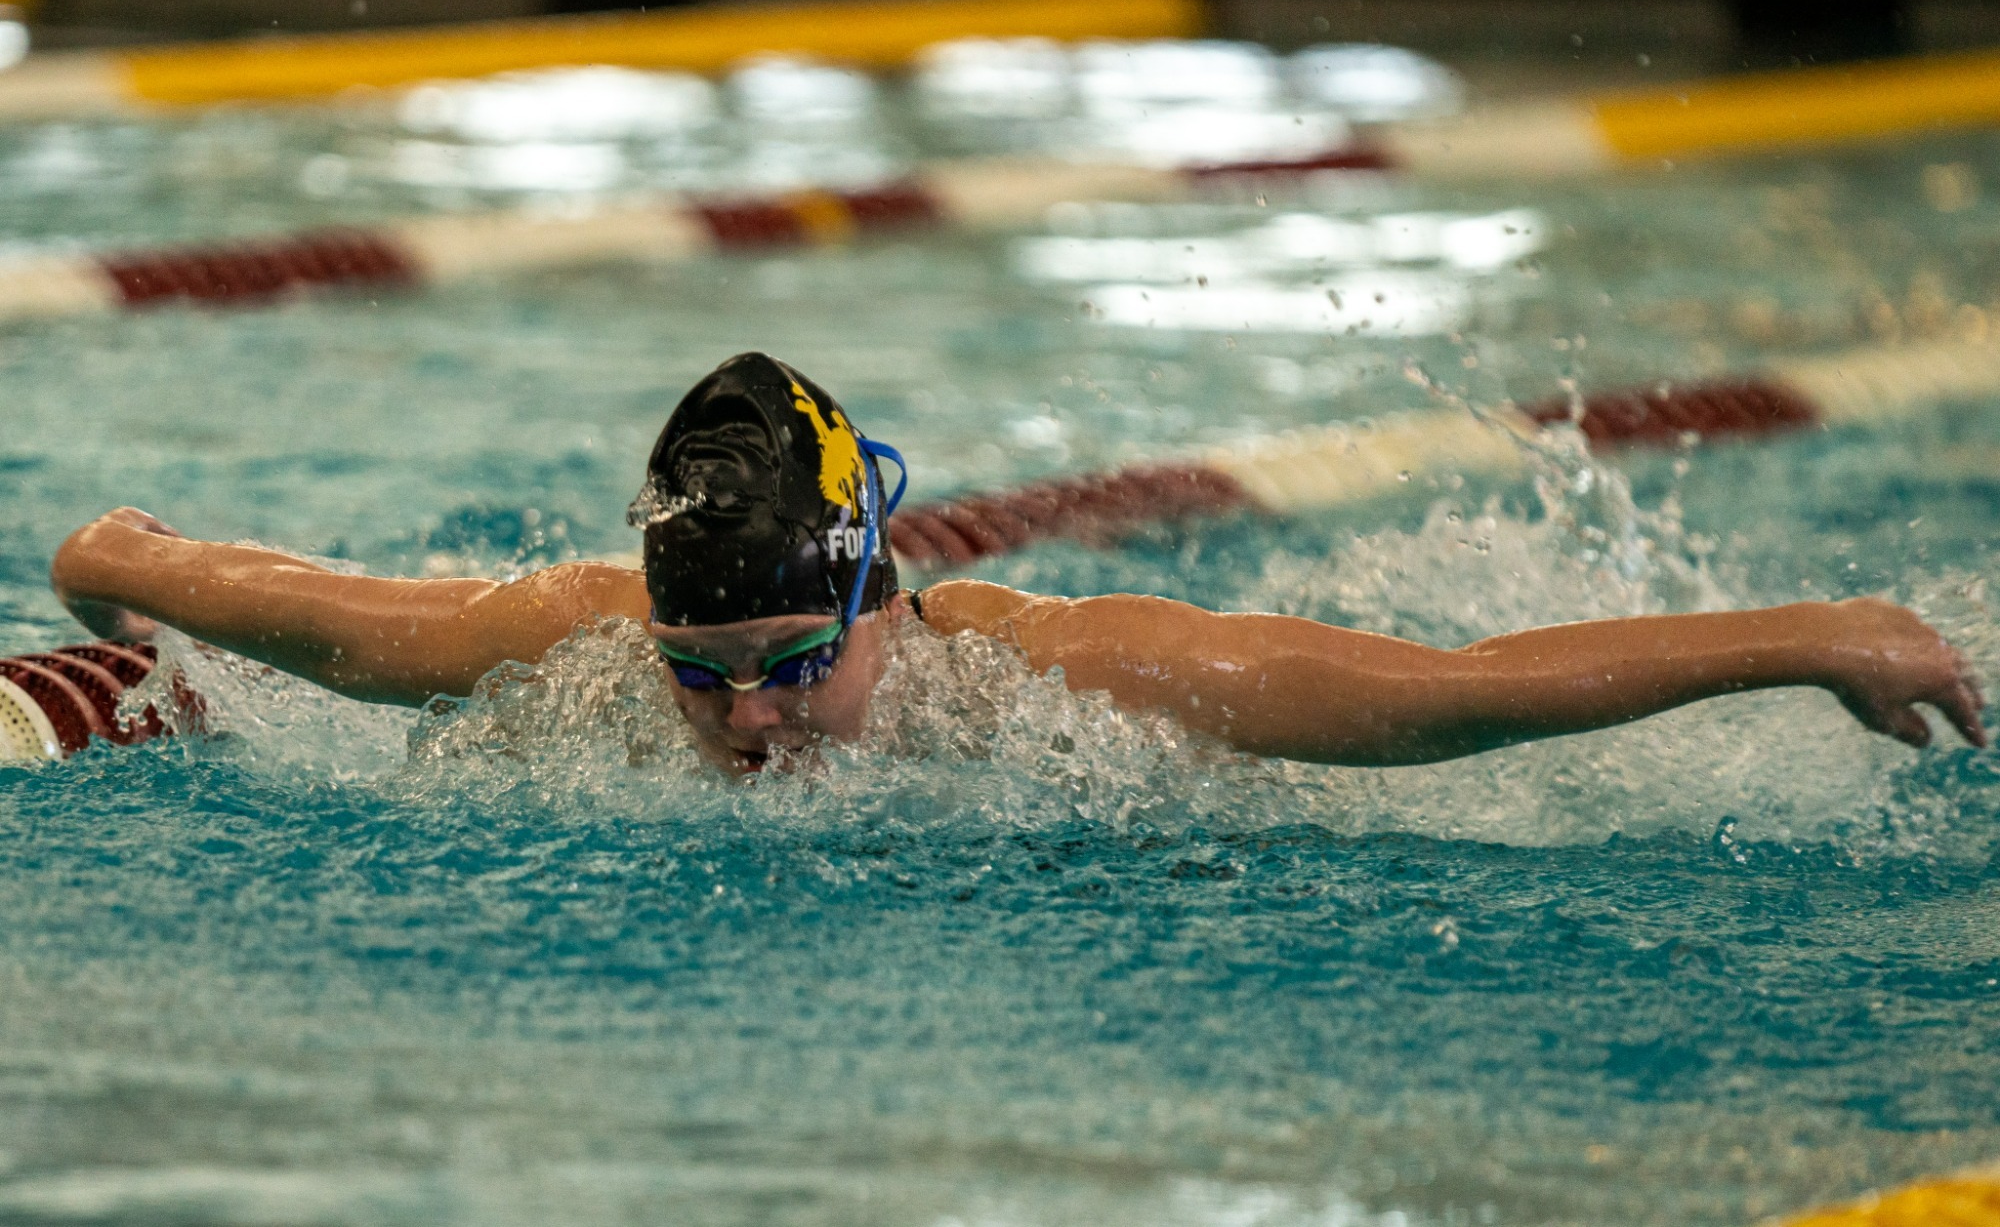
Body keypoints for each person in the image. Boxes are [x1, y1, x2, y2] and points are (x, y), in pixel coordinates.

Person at [50, 353, 1987, 777]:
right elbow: (161, 560)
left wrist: (1808, 635)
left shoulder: (1078, 675)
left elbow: (1448, 698)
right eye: (695, 667)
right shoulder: (534, 645)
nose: (744, 714)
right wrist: (107, 593)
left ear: (876, 596)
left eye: (789, 660)